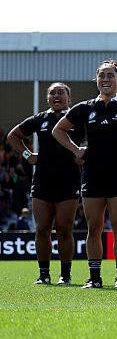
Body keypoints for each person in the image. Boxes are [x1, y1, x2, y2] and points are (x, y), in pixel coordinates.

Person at [53, 60, 117, 289]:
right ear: (96, 79)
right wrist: (76, 150)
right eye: (102, 76)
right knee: (93, 227)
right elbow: (59, 130)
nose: (106, 80)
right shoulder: (85, 108)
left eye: (110, 76)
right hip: (92, 174)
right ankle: (94, 278)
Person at [8, 82, 83, 285]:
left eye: (61, 92)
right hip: (42, 180)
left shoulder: (77, 117)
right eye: (52, 93)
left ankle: (65, 275)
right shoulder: (40, 119)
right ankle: (44, 274)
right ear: (47, 98)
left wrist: (83, 152)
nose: (56, 96)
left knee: (64, 229)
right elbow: (13, 136)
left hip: (69, 180)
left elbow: (97, 137)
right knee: (42, 229)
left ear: (69, 98)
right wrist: (28, 155)